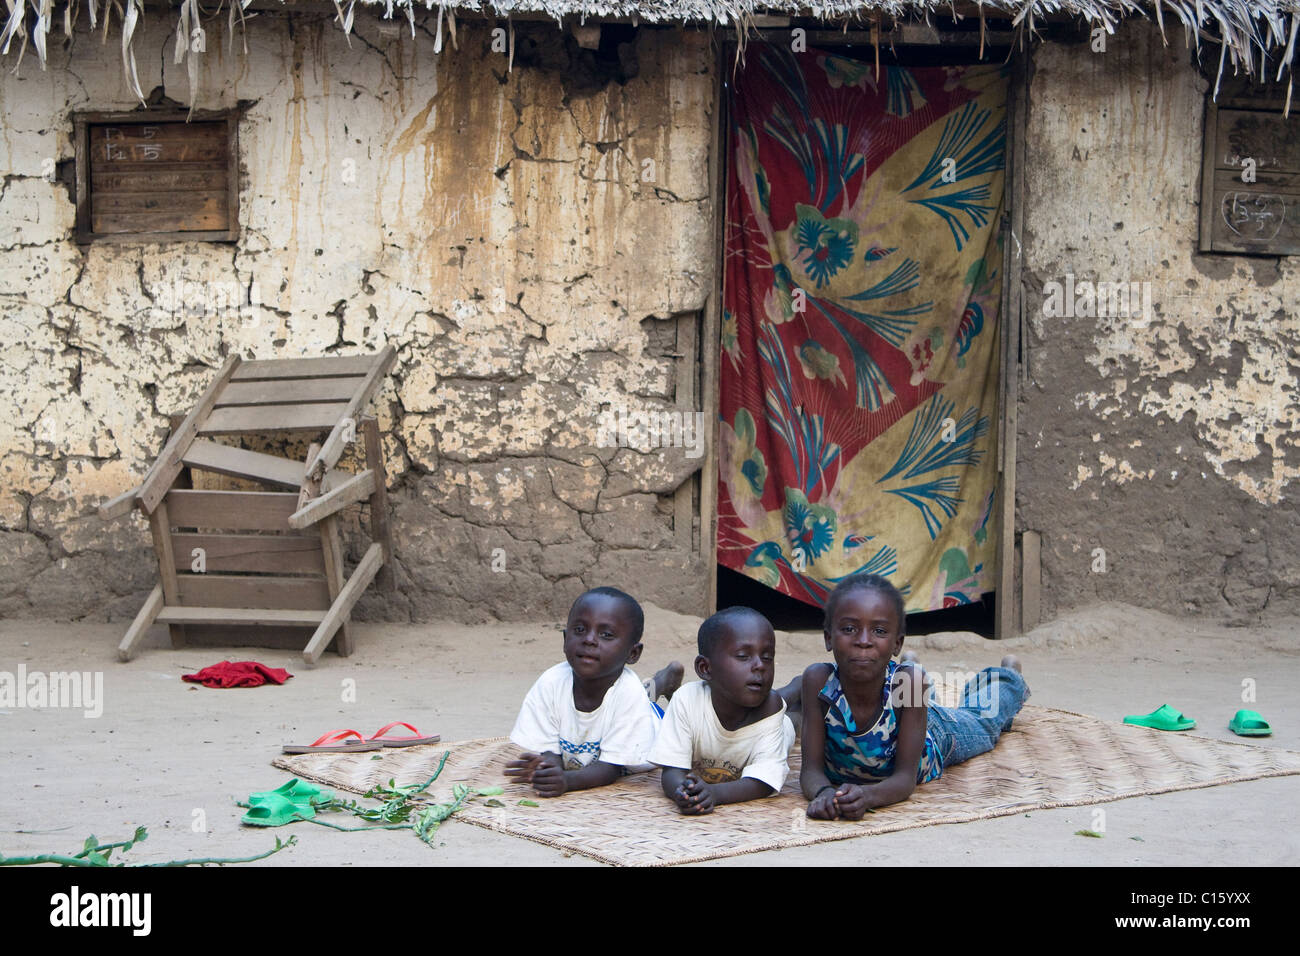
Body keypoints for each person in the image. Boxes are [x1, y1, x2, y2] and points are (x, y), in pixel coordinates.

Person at [800, 573, 1029, 820]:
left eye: (878, 631)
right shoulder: (818, 683)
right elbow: (810, 770)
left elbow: (904, 780)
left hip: (935, 733)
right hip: (908, 697)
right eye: (848, 629)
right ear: (828, 638)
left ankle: (1007, 678)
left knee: (983, 721)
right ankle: (909, 668)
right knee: (912, 688)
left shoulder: (911, 684)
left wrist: (868, 797)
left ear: (896, 644)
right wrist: (823, 793)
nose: (863, 641)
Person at [506, 587, 683, 798]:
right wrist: (548, 770)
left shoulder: (629, 694)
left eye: (606, 634)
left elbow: (610, 769)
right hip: (625, 706)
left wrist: (566, 781)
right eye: (579, 630)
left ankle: (660, 684)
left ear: (633, 653)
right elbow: (550, 750)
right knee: (633, 697)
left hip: (649, 722)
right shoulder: (551, 682)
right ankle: (659, 683)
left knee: (641, 701)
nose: (589, 640)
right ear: (564, 640)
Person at [649, 606, 797, 814]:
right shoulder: (687, 700)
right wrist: (685, 795)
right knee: (775, 696)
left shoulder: (771, 710)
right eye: (743, 656)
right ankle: (796, 688)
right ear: (705, 668)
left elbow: (762, 783)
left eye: (767, 657)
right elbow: (671, 772)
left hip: (781, 726)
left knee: (794, 719)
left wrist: (715, 794)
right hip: (740, 698)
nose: (759, 666)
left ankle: (801, 688)